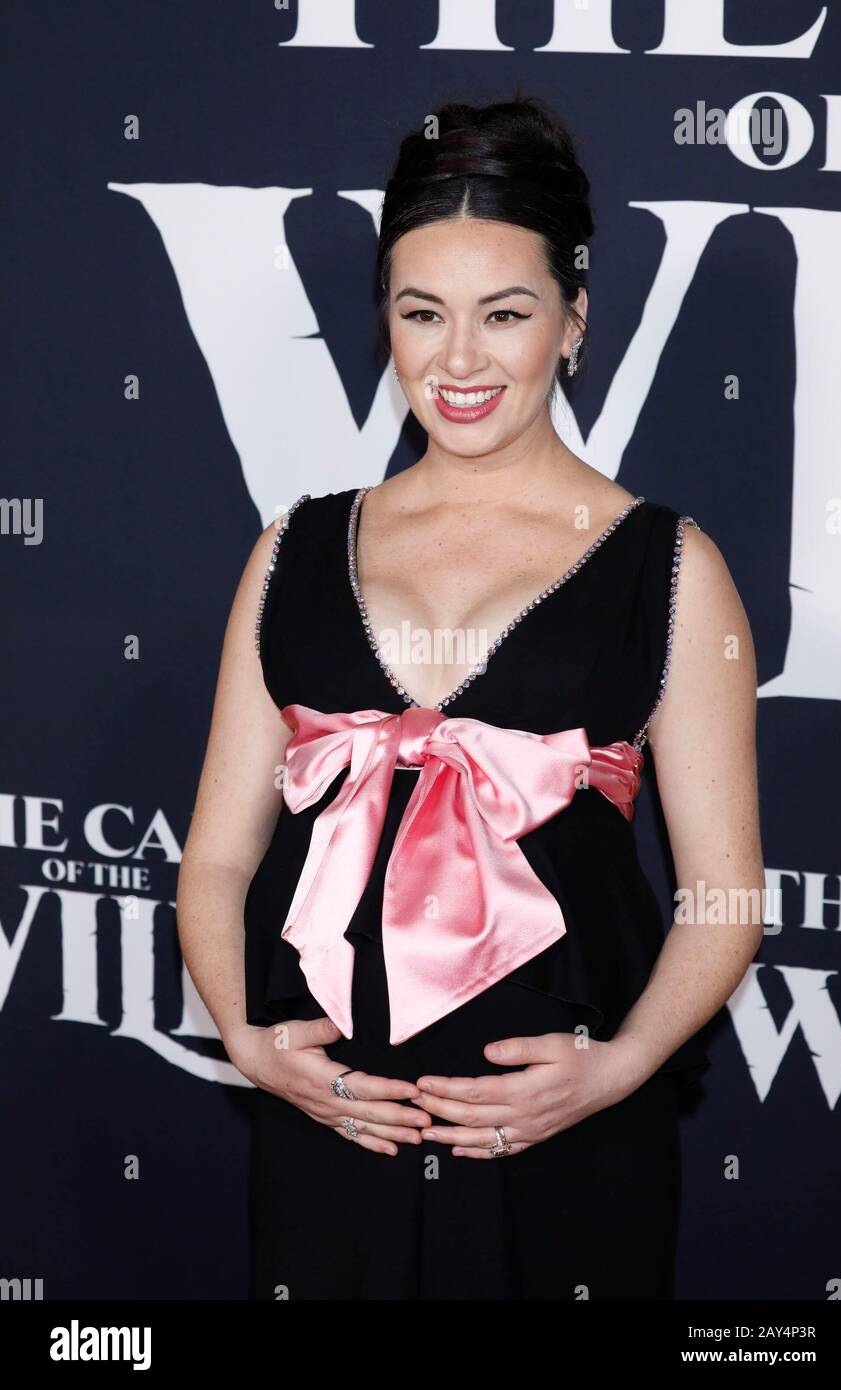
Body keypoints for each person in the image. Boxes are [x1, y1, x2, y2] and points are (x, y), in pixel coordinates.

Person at [176, 96, 765, 1301]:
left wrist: (615, 1068)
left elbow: (721, 895)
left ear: (572, 323)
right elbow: (218, 860)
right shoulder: (293, 550)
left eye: (503, 314)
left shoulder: (669, 566)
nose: (456, 361)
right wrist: (248, 1041)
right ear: (384, 322)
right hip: (330, 1129)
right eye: (420, 313)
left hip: (559, 1139)